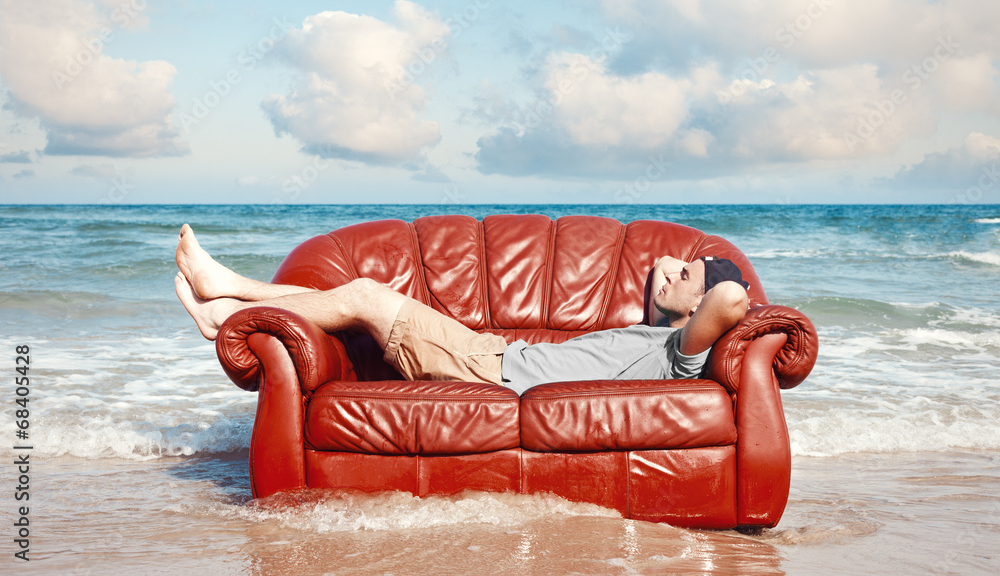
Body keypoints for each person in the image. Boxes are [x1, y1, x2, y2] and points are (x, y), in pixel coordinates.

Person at [174, 224, 750, 394]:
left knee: (367, 296)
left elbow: (732, 298)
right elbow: (667, 269)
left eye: (686, 275)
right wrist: (686, 277)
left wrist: (706, 288)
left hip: (493, 369)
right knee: (361, 301)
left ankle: (225, 303)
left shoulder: (682, 358)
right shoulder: (658, 336)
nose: (669, 269)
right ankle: (226, 301)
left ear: (700, 306)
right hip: (493, 356)